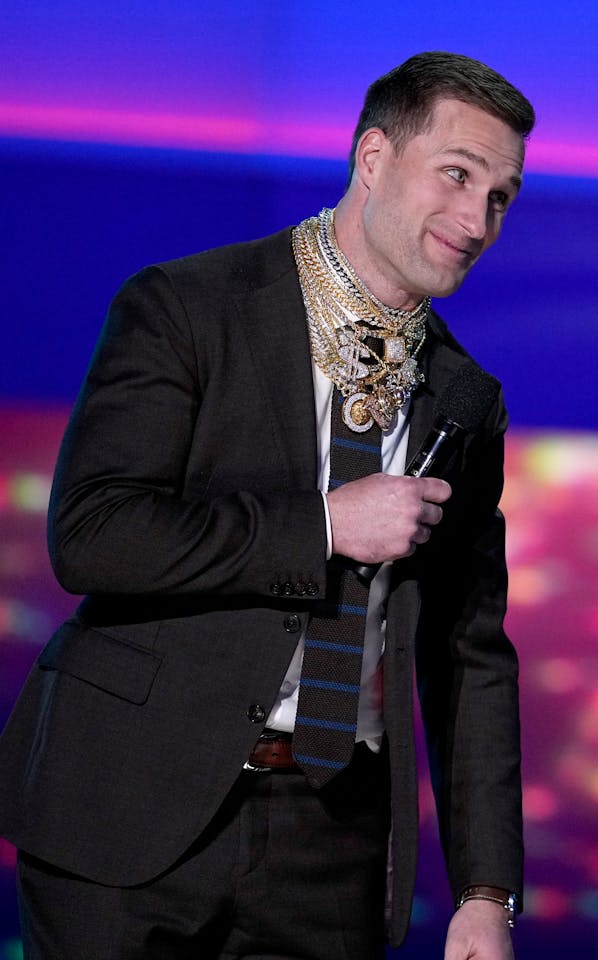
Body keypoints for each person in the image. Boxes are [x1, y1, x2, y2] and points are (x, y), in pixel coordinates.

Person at [0, 52, 533, 959]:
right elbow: (93, 535)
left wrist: (487, 892)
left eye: (501, 196)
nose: (477, 218)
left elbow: (467, 653)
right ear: (373, 158)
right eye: (458, 174)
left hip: (330, 844)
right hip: (132, 810)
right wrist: (325, 524)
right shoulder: (189, 306)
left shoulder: (465, 397)